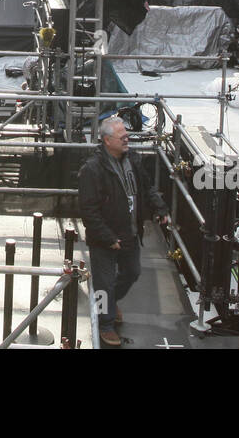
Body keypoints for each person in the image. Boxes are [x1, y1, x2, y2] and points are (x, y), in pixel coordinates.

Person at [78, 116, 170, 347]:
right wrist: (107, 237)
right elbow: (88, 210)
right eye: (123, 137)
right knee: (103, 283)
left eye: (127, 136)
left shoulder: (134, 161)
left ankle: (110, 304)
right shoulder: (92, 169)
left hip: (129, 232)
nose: (127, 140)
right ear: (108, 140)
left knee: (132, 272)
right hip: (104, 239)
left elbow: (147, 187)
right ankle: (104, 323)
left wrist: (160, 208)